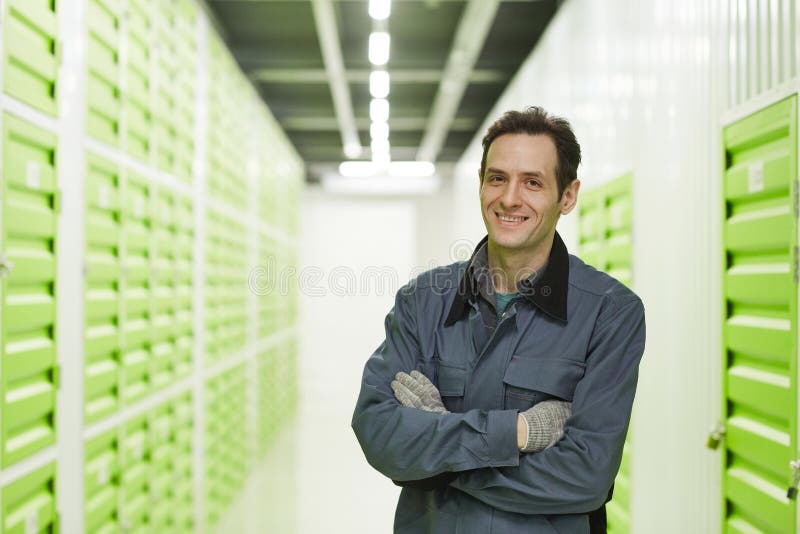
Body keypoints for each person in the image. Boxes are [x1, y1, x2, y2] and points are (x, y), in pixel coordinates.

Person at [351, 106, 646, 533]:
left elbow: (586, 476)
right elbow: (378, 432)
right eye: (497, 178)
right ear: (481, 185)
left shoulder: (609, 312)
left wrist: (438, 453)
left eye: (532, 182)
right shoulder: (422, 302)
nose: (510, 198)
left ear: (567, 195)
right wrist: (521, 432)